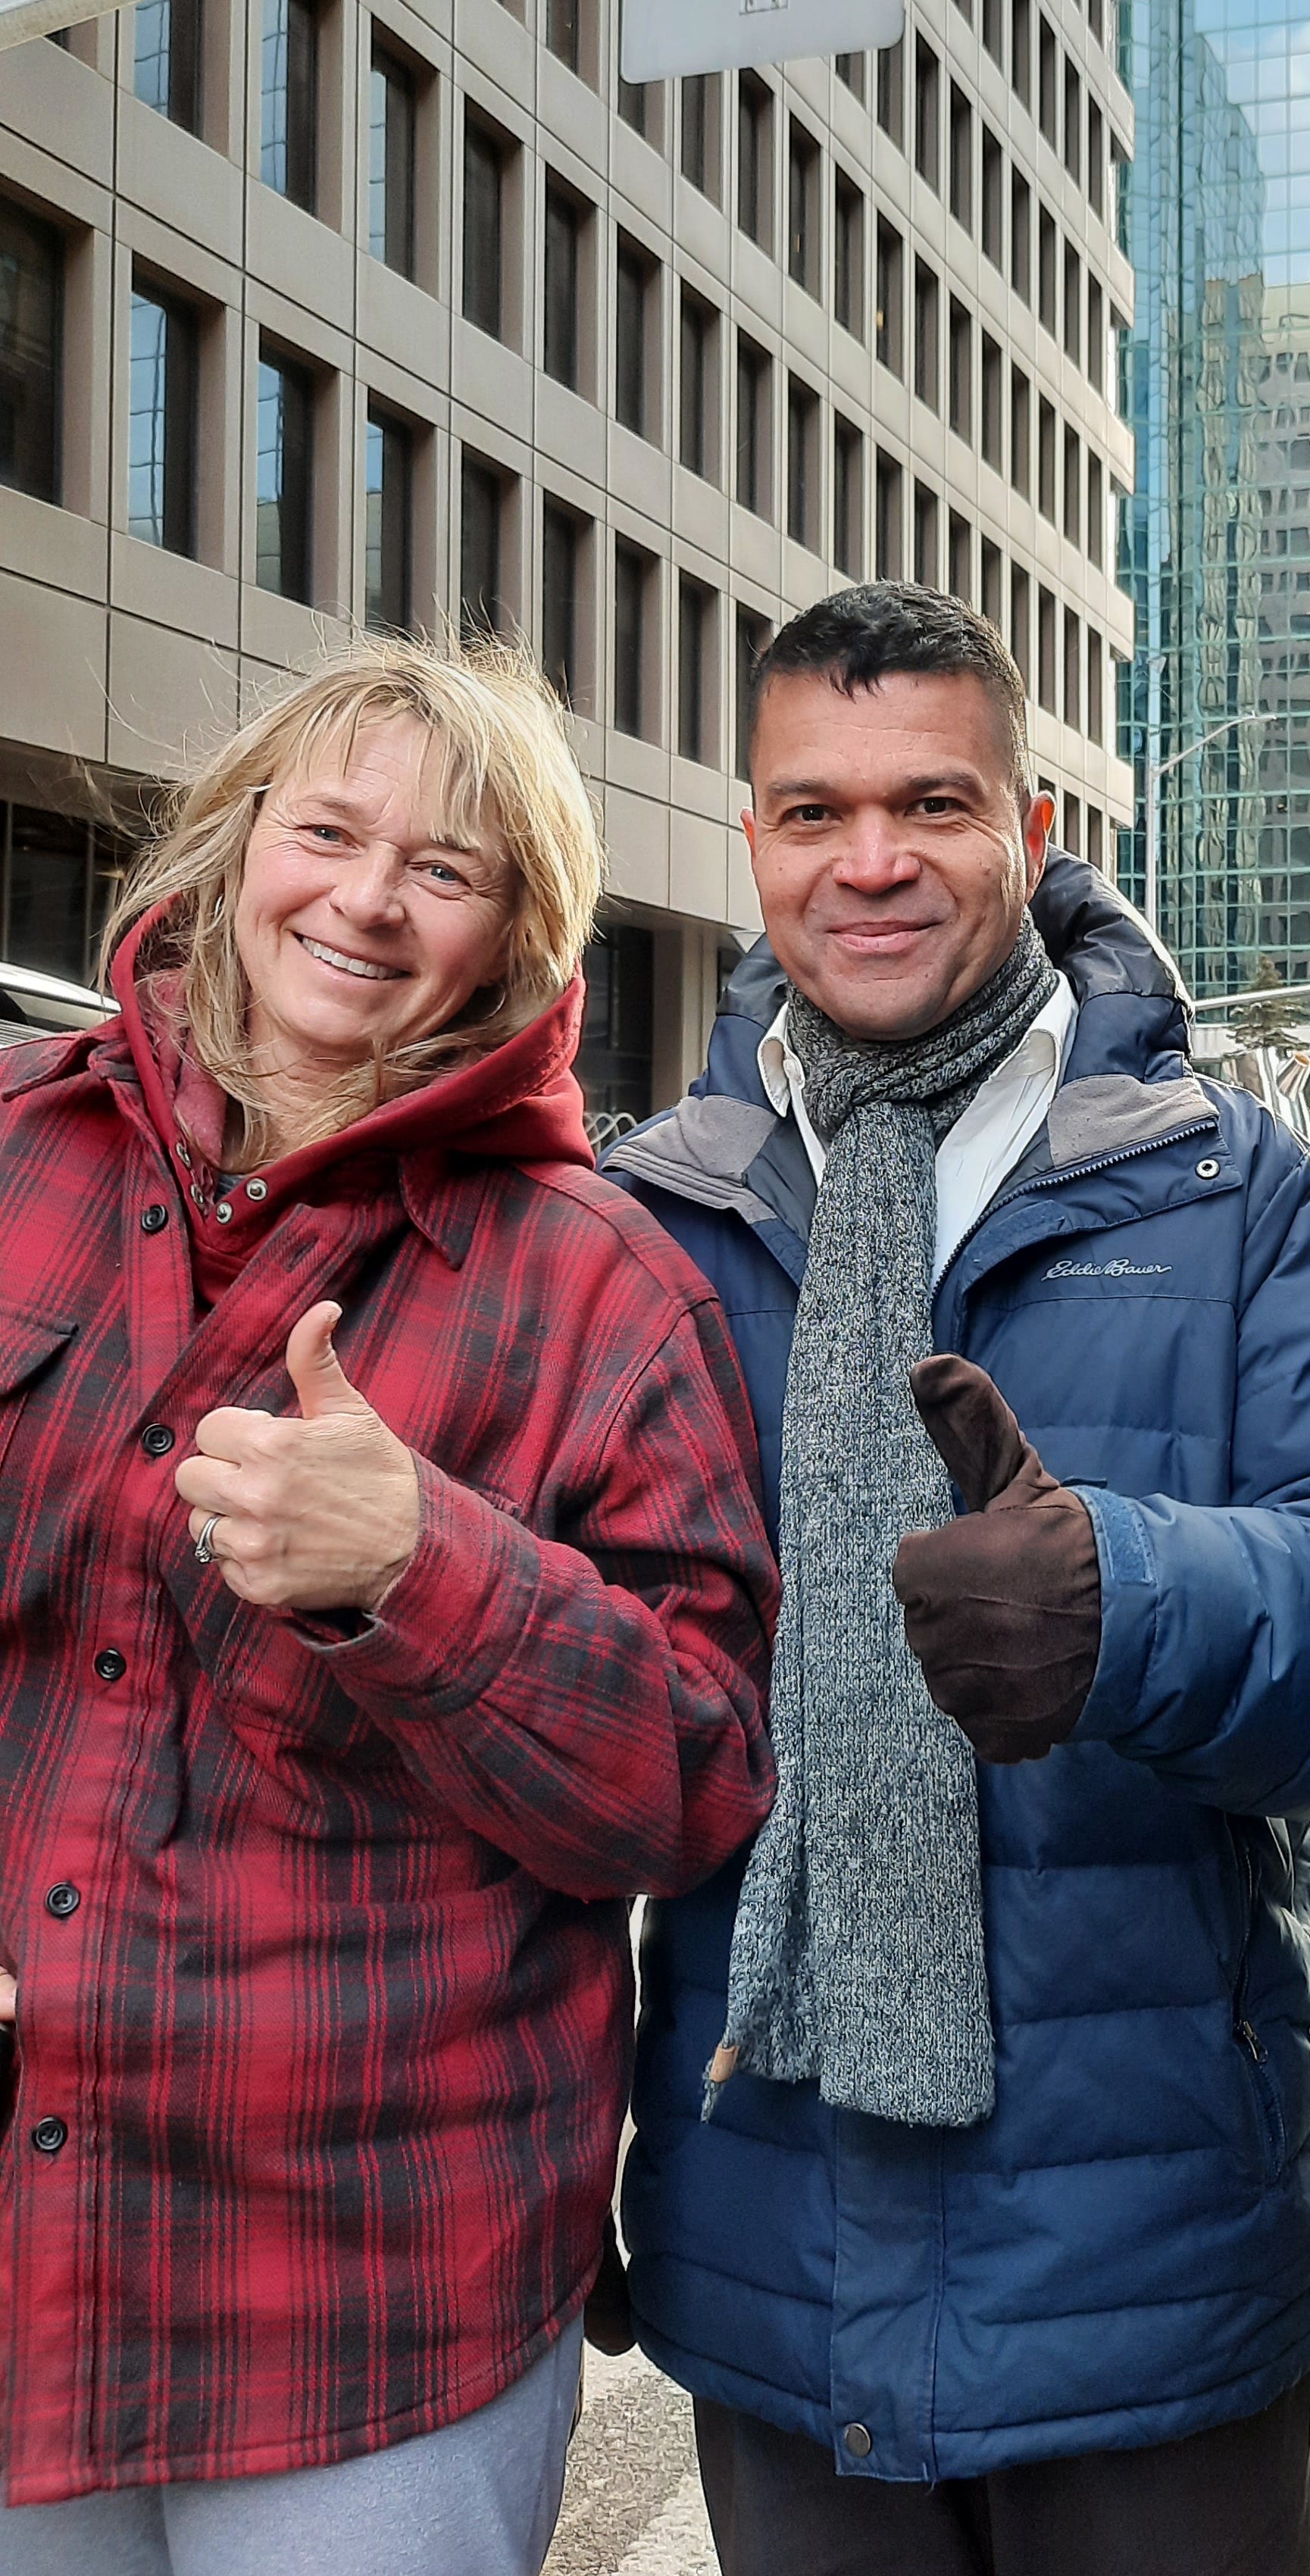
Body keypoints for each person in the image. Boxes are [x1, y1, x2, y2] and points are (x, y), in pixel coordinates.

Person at [604, 580, 1310, 2576]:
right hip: (777, 2252)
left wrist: (1132, 1601)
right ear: (749, 840)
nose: (873, 860)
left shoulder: (1226, 1185)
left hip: (1158, 2268)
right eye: (813, 810)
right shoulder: (645, 1219)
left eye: (932, 801)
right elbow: (564, 1722)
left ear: (1029, 827)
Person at [0, 643, 777, 2574]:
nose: (363, 896)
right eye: (329, 828)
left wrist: (426, 1570)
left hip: (366, 2309)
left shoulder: (602, 1281)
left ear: (516, 933)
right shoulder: (19, 1147)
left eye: (443, 868)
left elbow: (695, 1779)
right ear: (244, 835)